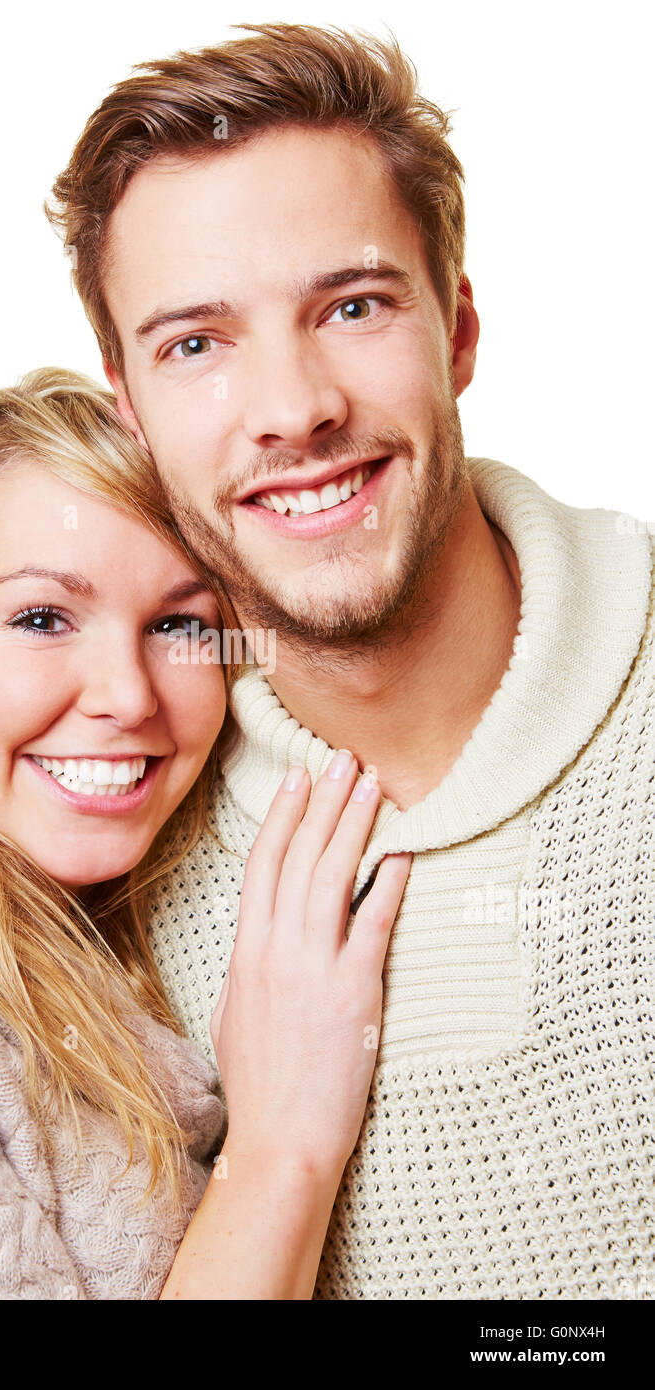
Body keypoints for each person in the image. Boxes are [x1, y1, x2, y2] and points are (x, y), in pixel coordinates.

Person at [46, 23, 655, 1298]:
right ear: (129, 412)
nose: (293, 407)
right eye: (195, 345)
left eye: (353, 305)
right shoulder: (102, 828)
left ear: (459, 328)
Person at [0, 366, 410, 1300]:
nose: (126, 695)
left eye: (179, 625)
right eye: (42, 618)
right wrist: (283, 1147)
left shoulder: (108, 914)